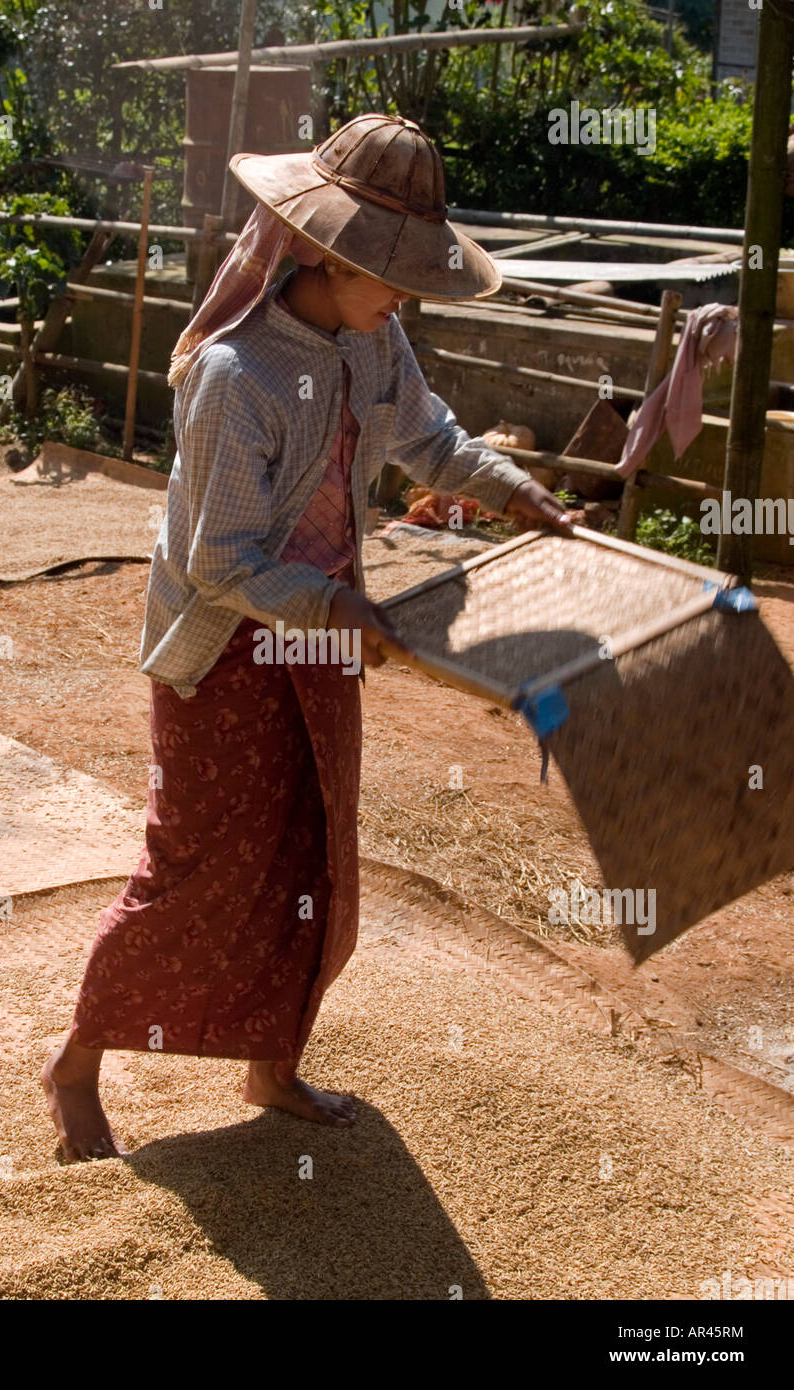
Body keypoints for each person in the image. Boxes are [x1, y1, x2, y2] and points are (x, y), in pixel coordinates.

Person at [43, 113, 572, 1161]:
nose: (404, 296)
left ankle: (270, 1066)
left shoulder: (373, 339)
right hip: (225, 652)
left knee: (312, 858)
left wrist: (516, 492)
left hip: (323, 638)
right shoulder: (237, 378)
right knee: (193, 867)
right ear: (325, 256)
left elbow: (427, 437)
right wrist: (339, 608)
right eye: (389, 275)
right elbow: (219, 562)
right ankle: (77, 1061)